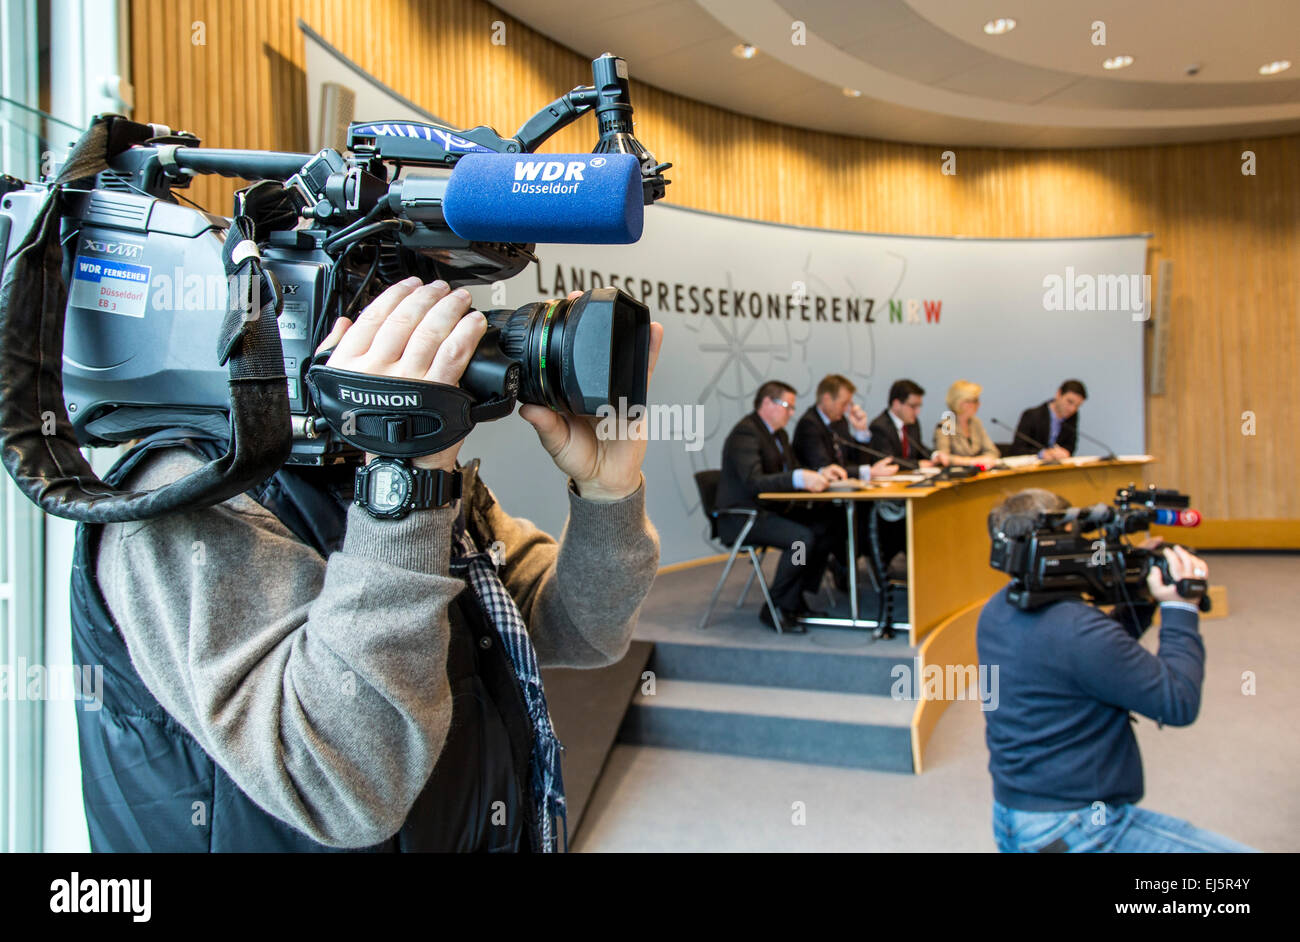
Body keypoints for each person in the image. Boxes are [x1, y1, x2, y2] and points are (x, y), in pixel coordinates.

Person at [77, 278, 662, 852]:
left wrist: (607, 496)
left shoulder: (362, 460)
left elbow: (583, 632)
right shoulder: (175, 500)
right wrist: (404, 487)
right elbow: (340, 786)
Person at [977, 488, 1256, 853]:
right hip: (1079, 828)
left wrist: (1137, 594)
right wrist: (1180, 608)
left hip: (1018, 817)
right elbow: (1178, 702)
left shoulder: (996, 611)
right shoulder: (1076, 628)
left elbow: (1097, 661)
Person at [716, 380, 839, 632]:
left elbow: (792, 471)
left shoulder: (779, 435)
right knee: (800, 540)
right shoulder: (746, 433)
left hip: (771, 511)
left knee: (824, 527)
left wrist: (818, 472)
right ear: (767, 403)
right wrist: (798, 478)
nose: (792, 413)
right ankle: (775, 607)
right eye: (787, 406)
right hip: (743, 516)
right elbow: (753, 482)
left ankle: (795, 598)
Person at [793, 374, 898, 588]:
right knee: (854, 522)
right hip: (815, 503)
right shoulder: (809, 426)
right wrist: (868, 472)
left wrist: (860, 431)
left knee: (883, 515)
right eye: (844, 402)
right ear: (826, 399)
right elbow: (828, 469)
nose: (848, 407)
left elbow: (851, 459)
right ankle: (842, 565)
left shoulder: (839, 422)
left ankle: (862, 565)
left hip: (841, 499)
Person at [867, 379, 950, 469]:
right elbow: (887, 460)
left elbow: (919, 449)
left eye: (919, 406)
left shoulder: (913, 423)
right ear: (896, 404)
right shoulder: (879, 427)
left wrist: (935, 455)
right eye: (913, 406)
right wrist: (917, 464)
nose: (917, 411)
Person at [1009, 379, 1087, 460]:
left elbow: (1071, 445)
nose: (1072, 409)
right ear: (1059, 394)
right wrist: (1042, 454)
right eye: (1069, 402)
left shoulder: (1073, 416)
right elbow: (1017, 449)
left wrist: (1066, 452)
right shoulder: (1031, 415)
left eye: (1077, 406)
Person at [932, 380, 999, 466]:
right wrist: (974, 461)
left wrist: (983, 460)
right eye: (974, 400)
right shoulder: (946, 424)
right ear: (960, 402)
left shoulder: (975, 423)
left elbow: (992, 452)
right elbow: (943, 458)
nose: (978, 404)